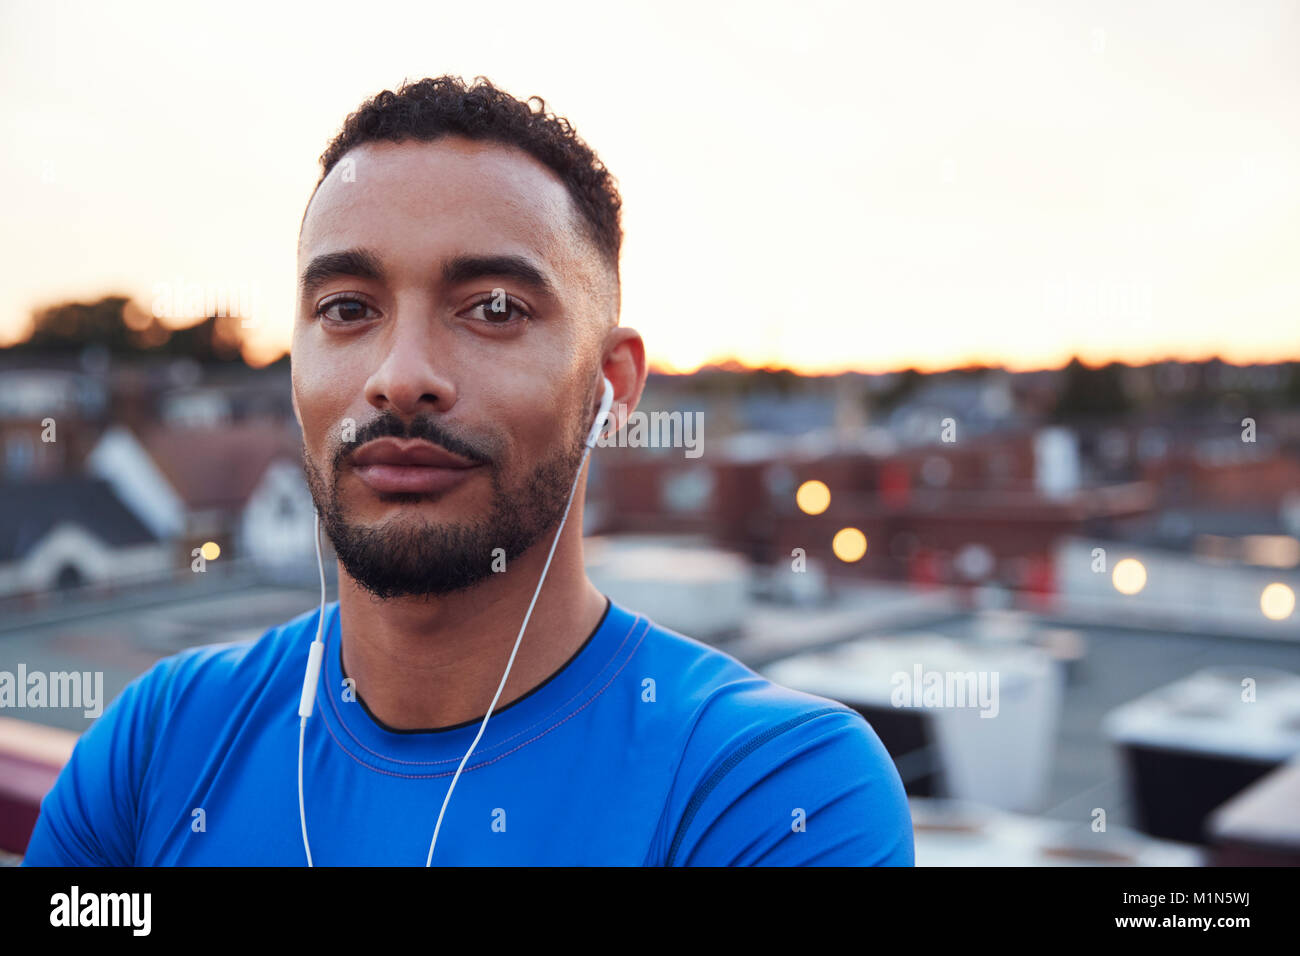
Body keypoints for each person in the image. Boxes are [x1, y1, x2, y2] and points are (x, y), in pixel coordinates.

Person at [23, 76, 913, 866]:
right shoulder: (161, 740)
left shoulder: (769, 789)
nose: (400, 374)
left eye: (492, 308)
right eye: (346, 308)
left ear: (613, 384)